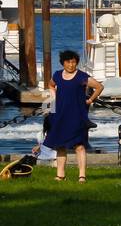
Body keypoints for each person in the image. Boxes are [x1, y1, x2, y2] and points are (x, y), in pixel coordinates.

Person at [42, 50, 103, 182]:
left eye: (74, 62)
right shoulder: (57, 75)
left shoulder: (81, 76)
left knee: (79, 146)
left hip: (77, 115)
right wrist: (53, 98)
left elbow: (99, 87)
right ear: (63, 63)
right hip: (59, 115)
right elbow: (51, 85)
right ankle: (60, 175)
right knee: (60, 146)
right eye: (68, 62)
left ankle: (82, 175)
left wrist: (90, 100)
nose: (71, 65)